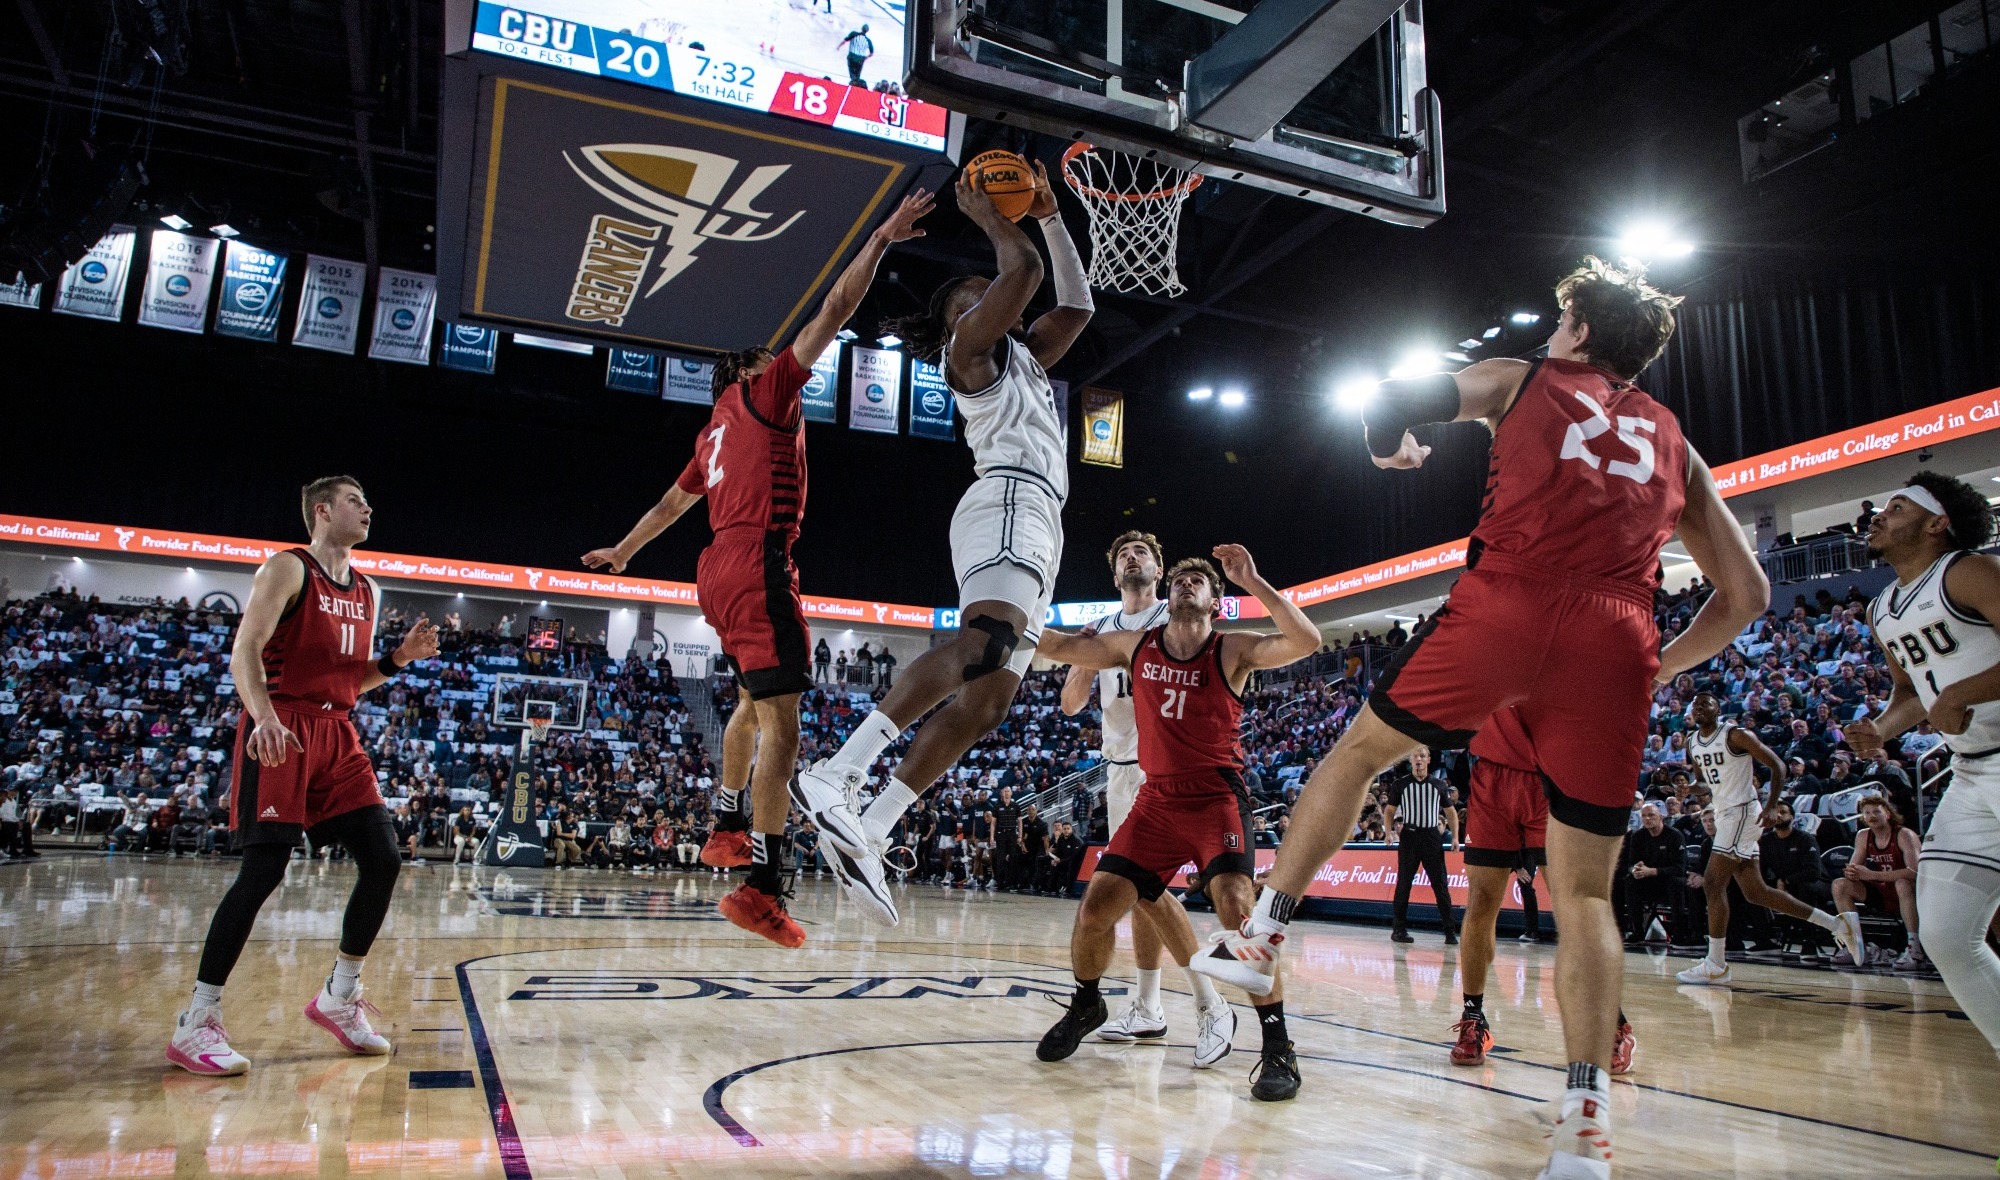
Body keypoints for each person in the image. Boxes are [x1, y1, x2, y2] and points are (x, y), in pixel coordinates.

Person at [1191, 257, 1770, 1180]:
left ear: (1579, 330)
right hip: (1617, 641)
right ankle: (1584, 1124)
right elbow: (1746, 594)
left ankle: (1263, 932)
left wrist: (1393, 448)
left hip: (1509, 603)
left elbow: (1393, 398)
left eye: (1561, 318)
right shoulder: (1675, 441)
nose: (1551, 330)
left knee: (1358, 757)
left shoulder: (1520, 378)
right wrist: (1659, 661)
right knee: (1584, 896)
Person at [584, 189, 933, 948]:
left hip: (715, 567)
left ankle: (725, 826)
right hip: (757, 559)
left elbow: (671, 508)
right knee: (786, 728)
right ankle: (762, 886)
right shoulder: (762, 394)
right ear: (746, 371)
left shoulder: (711, 432)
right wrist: (880, 238)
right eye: (768, 358)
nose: (783, 362)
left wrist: (624, 550)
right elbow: (835, 310)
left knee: (749, 701)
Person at [792, 159, 1093, 925]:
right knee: (984, 641)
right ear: (962, 316)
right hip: (1008, 497)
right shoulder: (971, 353)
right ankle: (839, 769)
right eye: (972, 296)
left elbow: (1078, 307)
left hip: (1039, 515)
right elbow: (1019, 271)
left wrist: (1052, 214)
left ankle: (874, 824)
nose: (985, 299)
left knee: (989, 702)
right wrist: (992, 218)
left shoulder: (1024, 355)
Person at [168, 477, 440, 1077]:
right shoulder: (288, 569)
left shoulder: (367, 589)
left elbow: (351, 680)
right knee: (264, 870)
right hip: (282, 724)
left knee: (383, 857)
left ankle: (340, 996)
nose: (368, 508)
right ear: (321, 511)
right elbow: (246, 650)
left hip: (336, 731)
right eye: (354, 500)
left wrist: (398, 661)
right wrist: (262, 716)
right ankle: (197, 1021)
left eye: (368, 500)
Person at [1033, 545, 1321, 1100]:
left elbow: (1307, 641)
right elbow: (1061, 646)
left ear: (1216, 603)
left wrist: (1254, 580)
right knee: (1097, 907)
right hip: (1156, 801)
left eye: (1199, 581)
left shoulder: (1231, 648)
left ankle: (1277, 1045)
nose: (1188, 584)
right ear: (1168, 595)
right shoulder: (1135, 645)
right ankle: (1088, 1001)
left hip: (1215, 799)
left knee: (1239, 909)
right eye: (1182, 579)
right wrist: (1014, 614)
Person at [1845, 475, 2000, 1014]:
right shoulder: (1882, 608)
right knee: (1947, 936)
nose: (1878, 515)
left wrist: (1962, 692)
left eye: (1897, 506)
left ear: (1938, 524)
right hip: (1973, 771)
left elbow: (1947, 693)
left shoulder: (1968, 571)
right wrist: (1882, 729)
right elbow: (1912, 692)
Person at [1450, 709, 1639, 1073]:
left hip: (1554, 774)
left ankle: (1614, 1023)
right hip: (1491, 776)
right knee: (1481, 901)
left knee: (1573, 904)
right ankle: (1474, 1017)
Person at [1059, 531, 1180, 1041]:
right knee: (1141, 891)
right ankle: (1151, 1005)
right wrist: (1085, 658)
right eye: (1124, 555)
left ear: (1159, 569)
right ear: (1115, 576)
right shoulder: (1101, 631)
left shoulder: (1177, 621)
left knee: (1149, 886)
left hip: (1168, 767)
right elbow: (1069, 705)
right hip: (1120, 769)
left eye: (1143, 553)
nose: (1133, 558)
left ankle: (1199, 999)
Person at [1676, 692, 1861, 984]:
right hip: (1725, 812)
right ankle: (1836, 924)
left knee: (1712, 883)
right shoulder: (1691, 742)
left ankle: (1716, 963)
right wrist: (1691, 790)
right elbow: (1704, 783)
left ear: (1718, 708)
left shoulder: (1736, 735)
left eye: (1706, 702)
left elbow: (1777, 765)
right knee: (1756, 893)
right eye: (1694, 703)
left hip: (1744, 812)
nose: (1699, 707)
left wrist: (1773, 804)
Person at [1832, 795, 1925, 967]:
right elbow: (1853, 869)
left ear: (1888, 814)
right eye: (1866, 813)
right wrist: (1852, 873)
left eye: (1876, 811)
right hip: (1884, 893)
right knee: (1840, 885)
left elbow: (1914, 872)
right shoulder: (1863, 836)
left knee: (1902, 883)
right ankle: (1854, 945)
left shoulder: (1904, 835)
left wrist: (1872, 875)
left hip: (1913, 893)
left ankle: (1915, 948)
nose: (1871, 816)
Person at [1384, 748, 1459, 944]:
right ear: (1410, 759)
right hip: (1409, 837)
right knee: (1403, 885)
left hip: (1431, 836)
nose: (1419, 760)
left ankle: (1450, 931)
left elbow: (1451, 812)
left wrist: (1455, 837)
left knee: (1440, 885)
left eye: (1422, 756)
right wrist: (1389, 832)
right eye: (1416, 756)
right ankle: (1398, 930)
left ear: (1428, 760)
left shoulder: (1439, 784)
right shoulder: (1400, 784)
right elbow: (1389, 810)